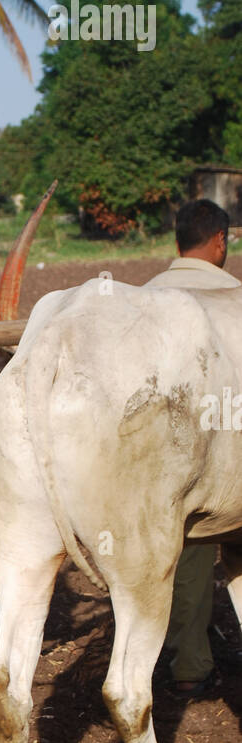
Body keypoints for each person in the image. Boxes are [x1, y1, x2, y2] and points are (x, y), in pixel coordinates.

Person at [145, 199, 241, 697]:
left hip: (151, 444)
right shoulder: (236, 298)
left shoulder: (140, 302)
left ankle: (183, 663)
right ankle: (190, 661)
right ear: (221, 242)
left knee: (178, 549)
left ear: (176, 242)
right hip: (226, 449)